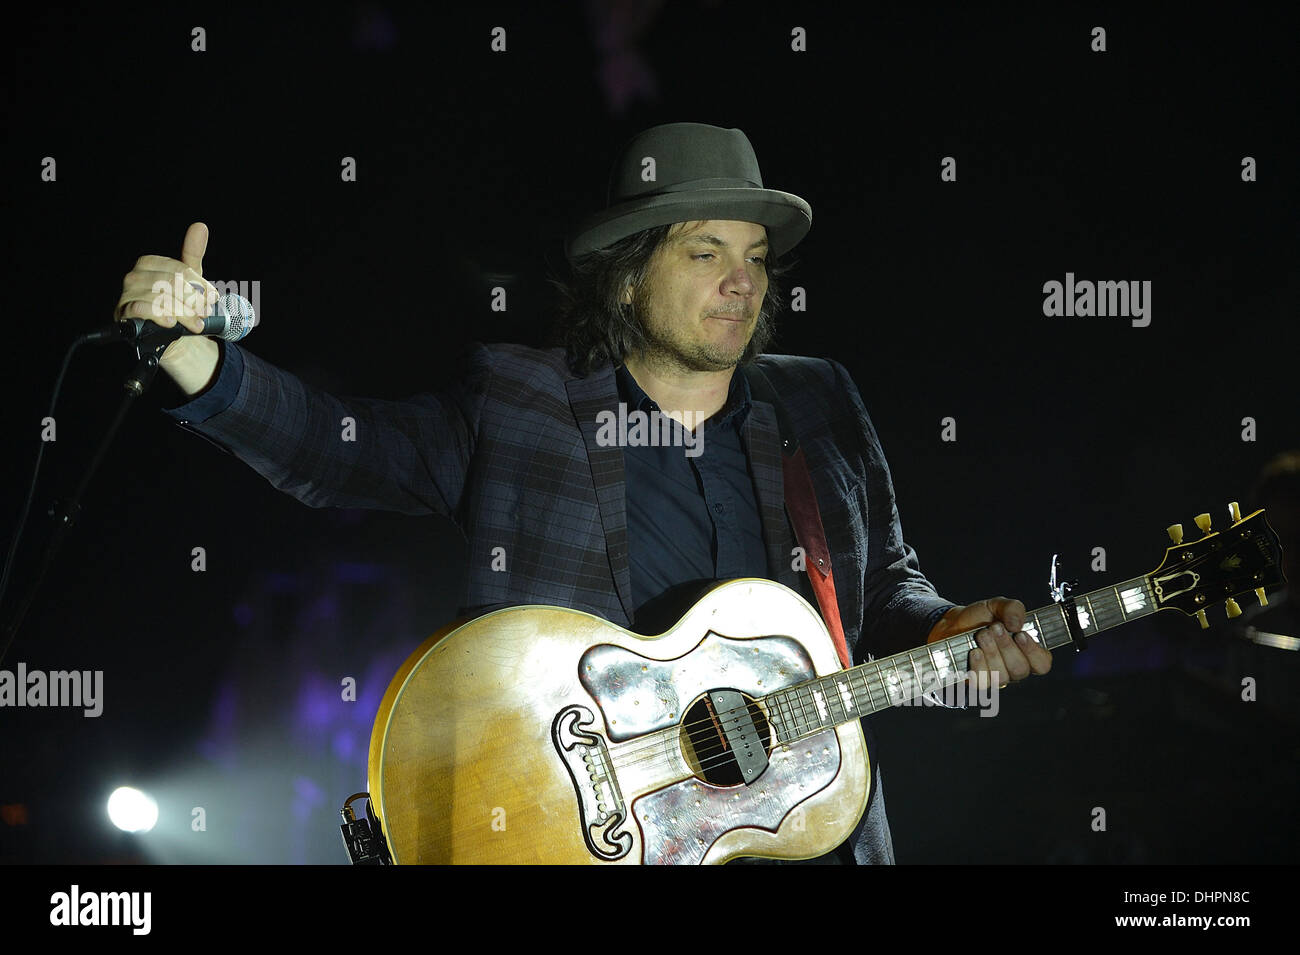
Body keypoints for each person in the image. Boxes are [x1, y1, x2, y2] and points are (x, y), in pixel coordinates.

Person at [114, 122, 1052, 863]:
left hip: (803, 835)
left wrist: (942, 629)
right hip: (589, 842)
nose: (743, 281)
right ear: (630, 270)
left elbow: (882, 590)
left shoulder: (819, 400)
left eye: (758, 256)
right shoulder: (522, 403)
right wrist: (193, 356)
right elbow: (339, 449)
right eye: (704, 251)